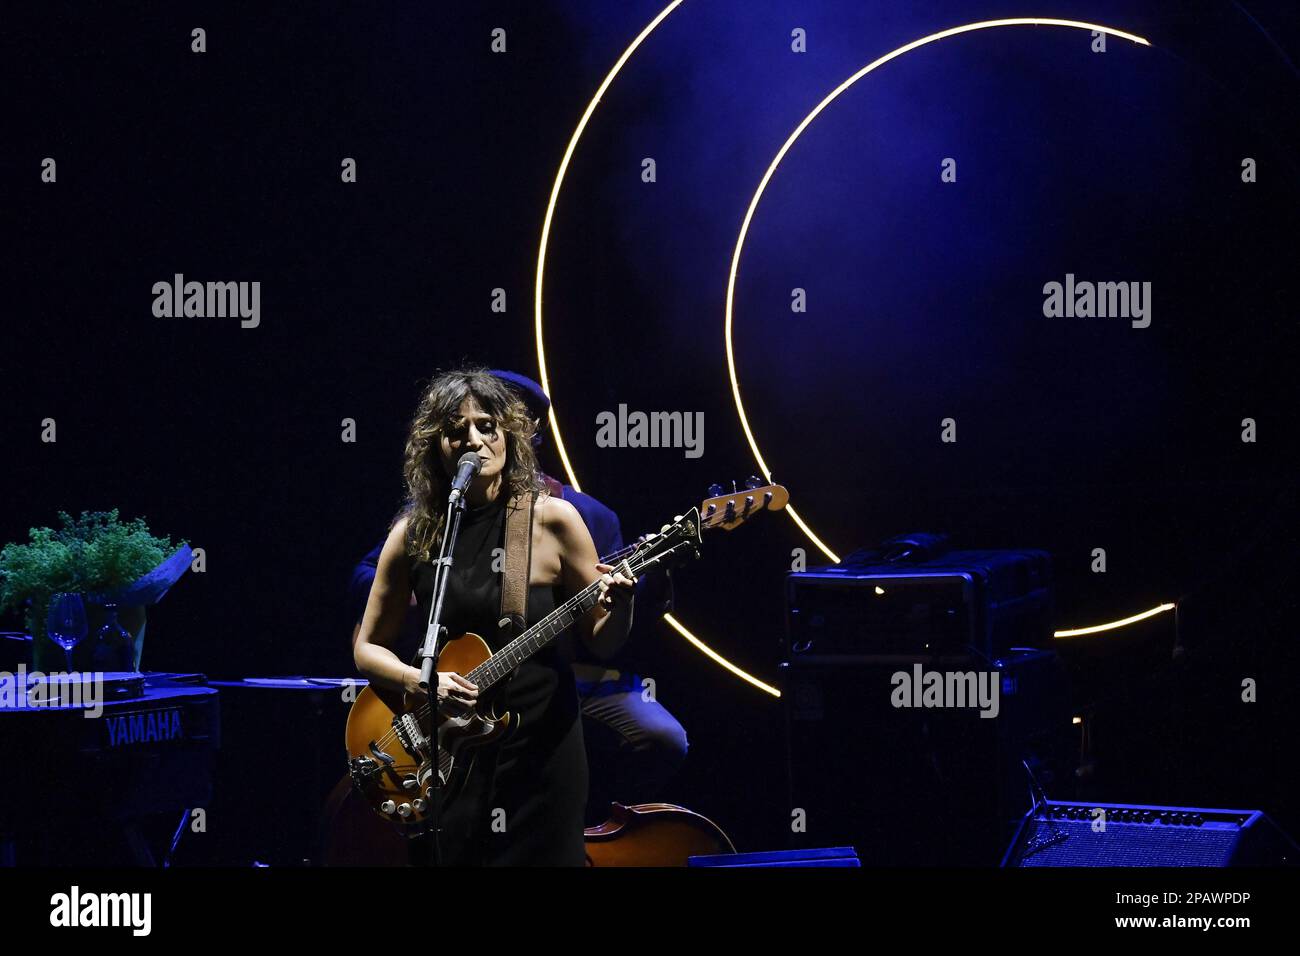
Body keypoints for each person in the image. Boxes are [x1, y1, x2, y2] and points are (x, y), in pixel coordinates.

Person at [347, 371, 689, 827]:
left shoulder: (561, 518)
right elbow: (366, 644)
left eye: (487, 426)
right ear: (436, 444)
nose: (474, 440)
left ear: (514, 434)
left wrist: (622, 602)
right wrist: (419, 680)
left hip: (543, 739)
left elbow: (603, 643)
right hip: (451, 743)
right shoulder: (416, 531)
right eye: (456, 430)